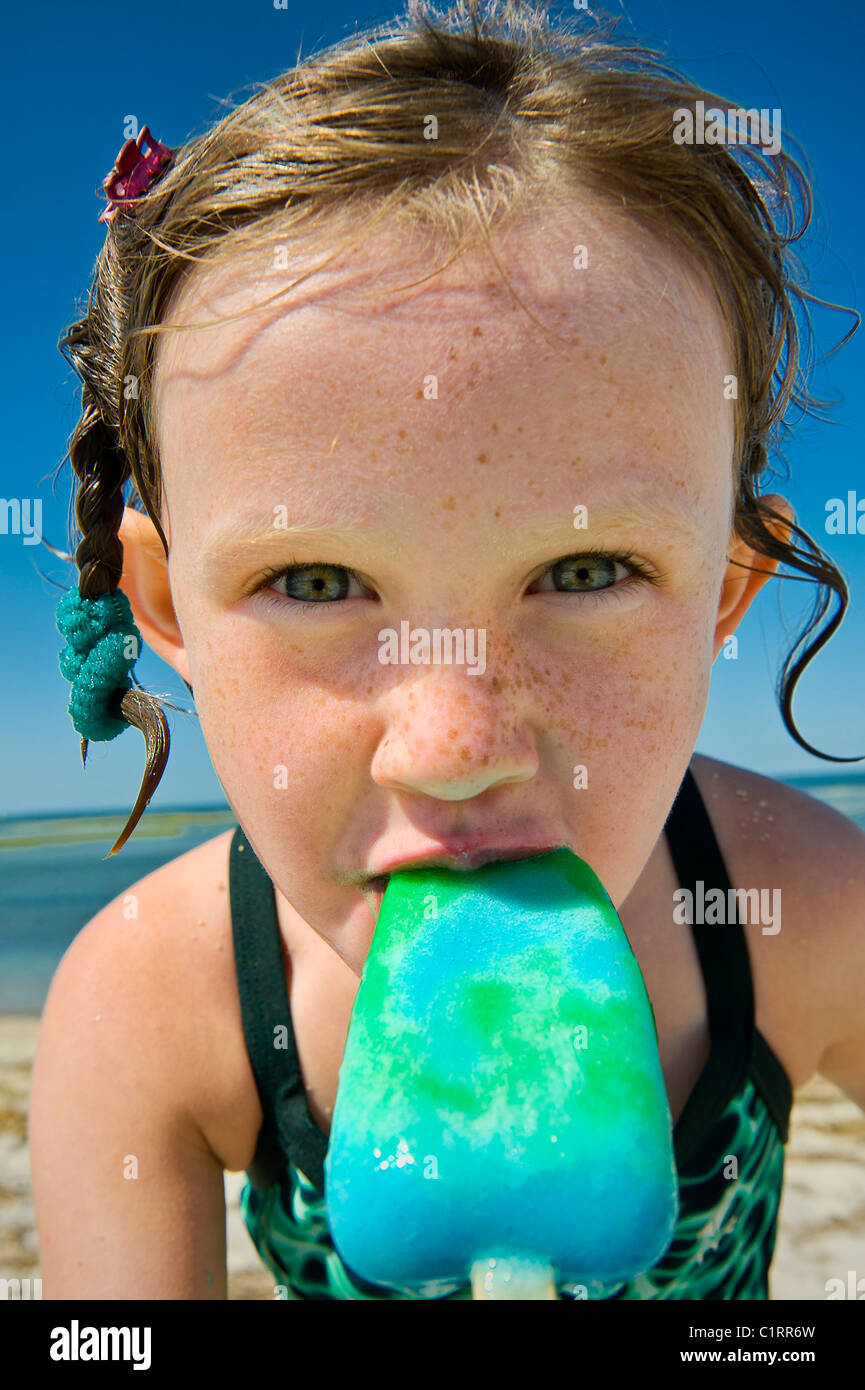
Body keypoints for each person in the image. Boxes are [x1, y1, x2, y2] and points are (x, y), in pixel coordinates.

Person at [30, 0, 865, 1299]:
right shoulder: (147, 1004)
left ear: (724, 591)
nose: (457, 748)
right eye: (315, 579)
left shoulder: (808, 912)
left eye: (586, 571)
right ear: (167, 608)